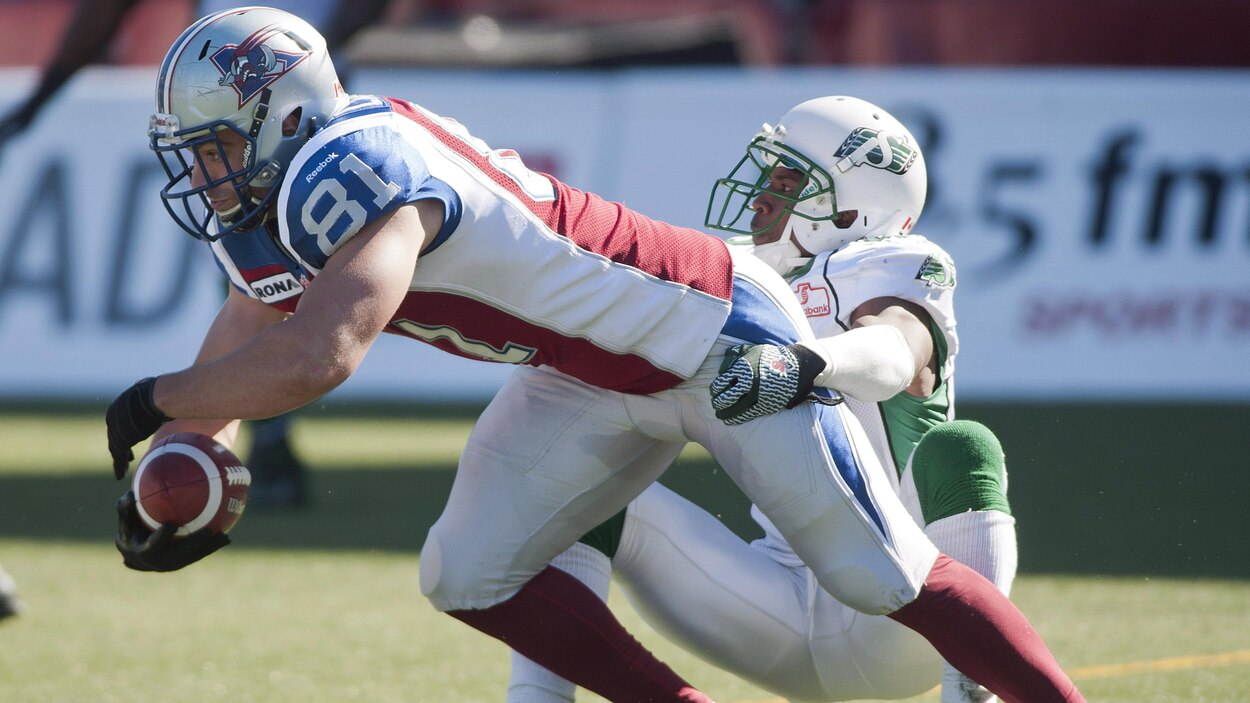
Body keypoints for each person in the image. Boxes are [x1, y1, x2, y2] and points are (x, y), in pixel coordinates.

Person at [103, 8, 1083, 702]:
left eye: (213, 145)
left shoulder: (356, 164)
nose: (200, 170)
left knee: (882, 576)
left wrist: (148, 405)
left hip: (706, 331)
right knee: (468, 569)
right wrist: (191, 450)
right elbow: (252, 318)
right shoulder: (273, 195)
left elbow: (324, 350)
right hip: (582, 369)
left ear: (279, 119)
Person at [506, 97, 1017, 703]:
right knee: (571, 481)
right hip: (775, 602)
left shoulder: (892, 262)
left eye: (785, 179)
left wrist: (807, 364)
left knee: (962, 447)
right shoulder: (740, 274)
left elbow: (900, 354)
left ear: (849, 206)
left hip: (905, 610)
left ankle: (973, 689)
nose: (758, 197)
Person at [0, 0, 391, 508]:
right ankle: (251, 437)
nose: (199, 178)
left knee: (284, 290)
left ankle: (262, 437)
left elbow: (321, 355)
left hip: (290, 105)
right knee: (255, 288)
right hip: (229, 91)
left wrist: (304, 60)